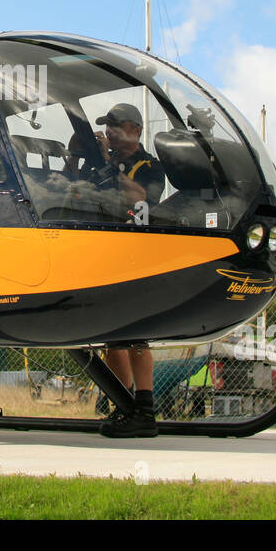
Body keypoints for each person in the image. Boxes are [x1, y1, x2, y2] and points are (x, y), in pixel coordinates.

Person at [90, 102, 167, 438]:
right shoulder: (106, 161)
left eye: (116, 126)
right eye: (107, 127)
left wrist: (109, 164)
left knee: (136, 333)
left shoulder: (149, 166)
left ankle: (144, 408)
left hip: (136, 251)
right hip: (105, 251)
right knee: (113, 338)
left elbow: (140, 200)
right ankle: (122, 404)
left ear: (135, 130)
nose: (110, 132)